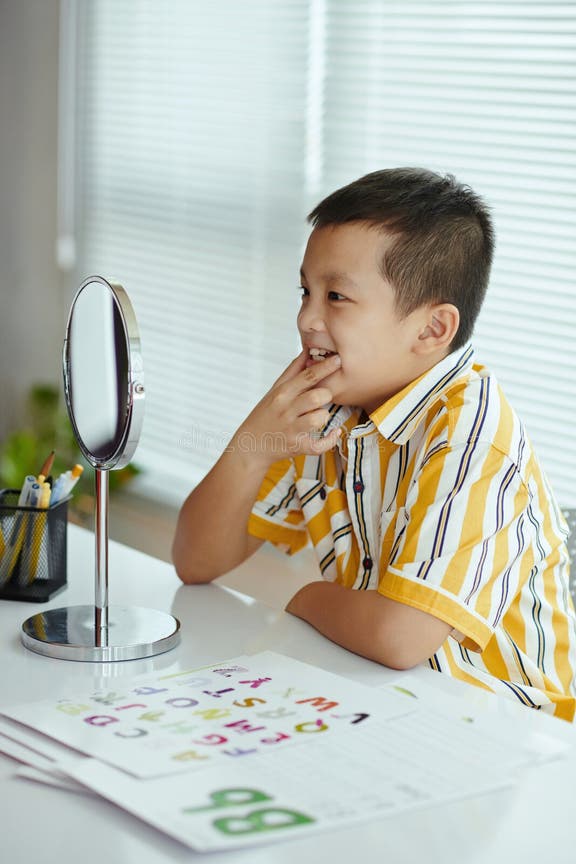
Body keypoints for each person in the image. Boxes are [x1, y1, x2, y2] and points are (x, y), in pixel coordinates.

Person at [172, 167, 576, 720]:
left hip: (510, 730)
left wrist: (302, 600)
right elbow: (197, 561)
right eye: (306, 290)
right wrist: (252, 443)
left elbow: (398, 636)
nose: (306, 318)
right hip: (387, 702)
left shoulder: (474, 434)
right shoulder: (326, 405)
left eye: (336, 296)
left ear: (432, 331)